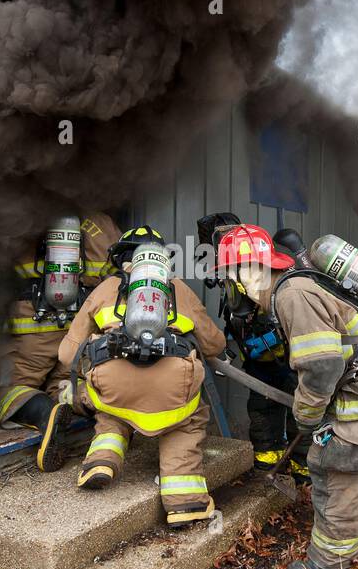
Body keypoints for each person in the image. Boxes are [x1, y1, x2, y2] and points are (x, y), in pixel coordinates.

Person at [216, 223, 358, 569]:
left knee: (337, 466)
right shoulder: (298, 281)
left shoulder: (291, 296)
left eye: (230, 276)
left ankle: (331, 559)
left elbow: (321, 365)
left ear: (248, 273)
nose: (231, 287)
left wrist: (307, 414)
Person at [39, 226, 228, 527]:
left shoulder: (103, 290)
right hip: (173, 387)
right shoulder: (178, 288)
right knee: (186, 423)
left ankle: (101, 460)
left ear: (121, 258)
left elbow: (66, 355)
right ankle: (186, 501)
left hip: (116, 385)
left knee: (110, 410)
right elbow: (215, 344)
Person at [196, 212, 309, 480]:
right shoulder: (229, 272)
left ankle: (304, 474)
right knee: (262, 410)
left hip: (290, 358)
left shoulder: (267, 272)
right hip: (259, 359)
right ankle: (266, 465)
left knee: (299, 413)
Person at [0, 212, 120, 444]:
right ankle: (91, 406)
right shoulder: (103, 224)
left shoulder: (28, 214)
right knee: (69, 383)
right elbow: (116, 282)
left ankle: (44, 413)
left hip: (32, 333)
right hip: (78, 333)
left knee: (12, 389)